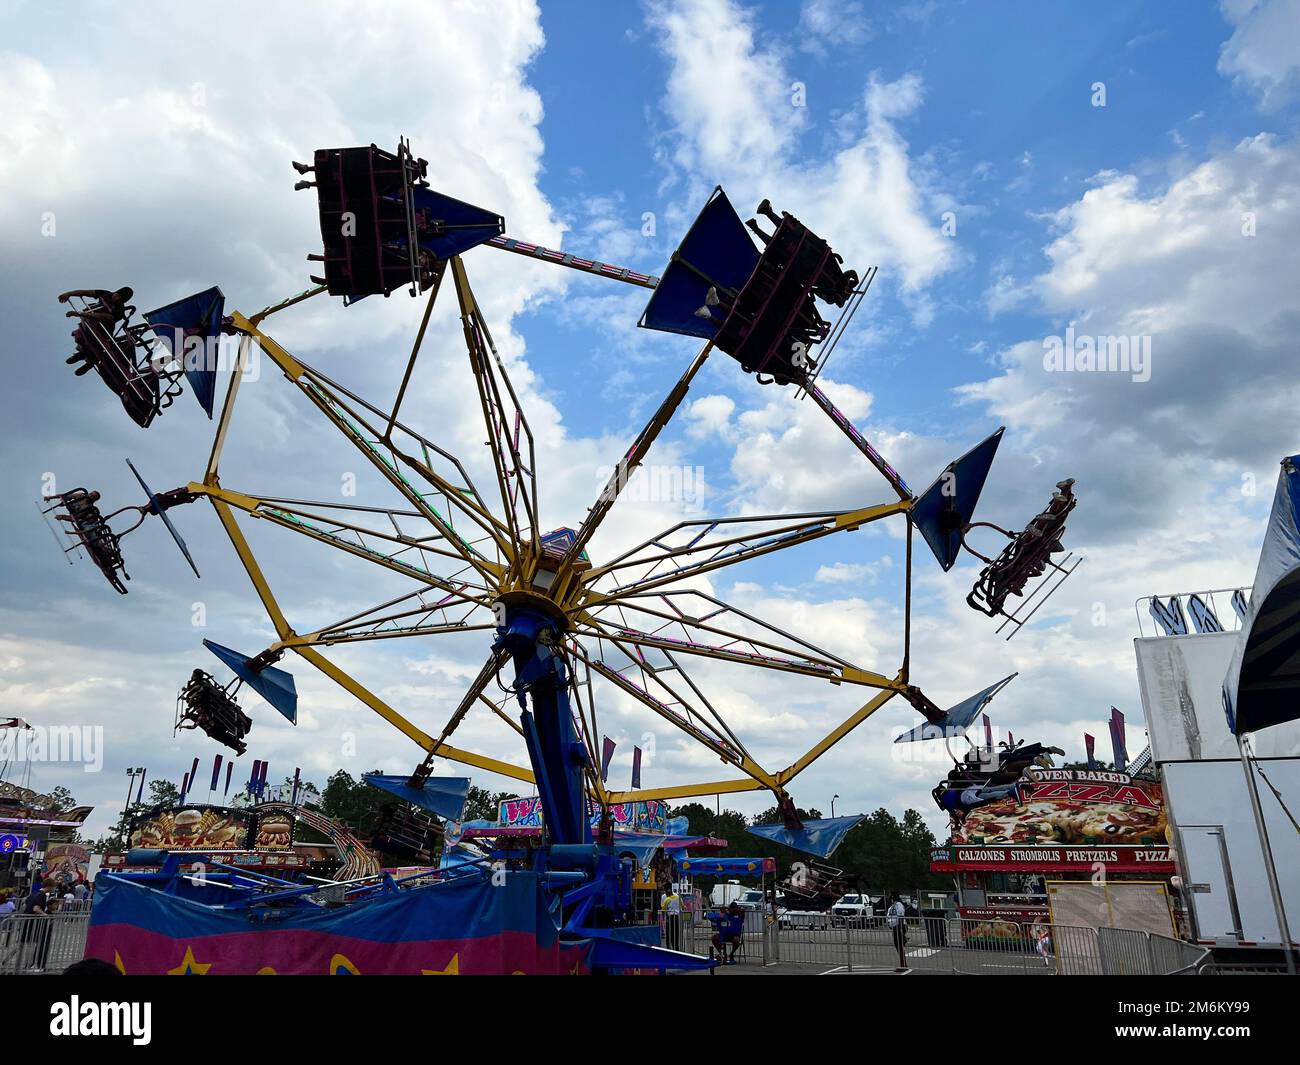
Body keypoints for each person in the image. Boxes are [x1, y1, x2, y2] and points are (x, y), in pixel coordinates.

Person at [886, 892, 908, 967]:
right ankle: (903, 963)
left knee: (899, 945)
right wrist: (889, 924)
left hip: (899, 926)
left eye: (891, 899)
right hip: (894, 927)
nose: (890, 900)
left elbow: (901, 916)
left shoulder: (899, 905)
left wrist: (900, 929)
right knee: (897, 945)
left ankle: (903, 964)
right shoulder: (892, 906)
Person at [660, 883, 683, 952]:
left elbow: (663, 908)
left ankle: (672, 948)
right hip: (674, 917)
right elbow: (682, 905)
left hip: (670, 917)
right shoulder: (676, 896)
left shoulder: (666, 898)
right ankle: (674, 948)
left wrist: (663, 917)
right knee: (673, 933)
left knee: (671, 933)